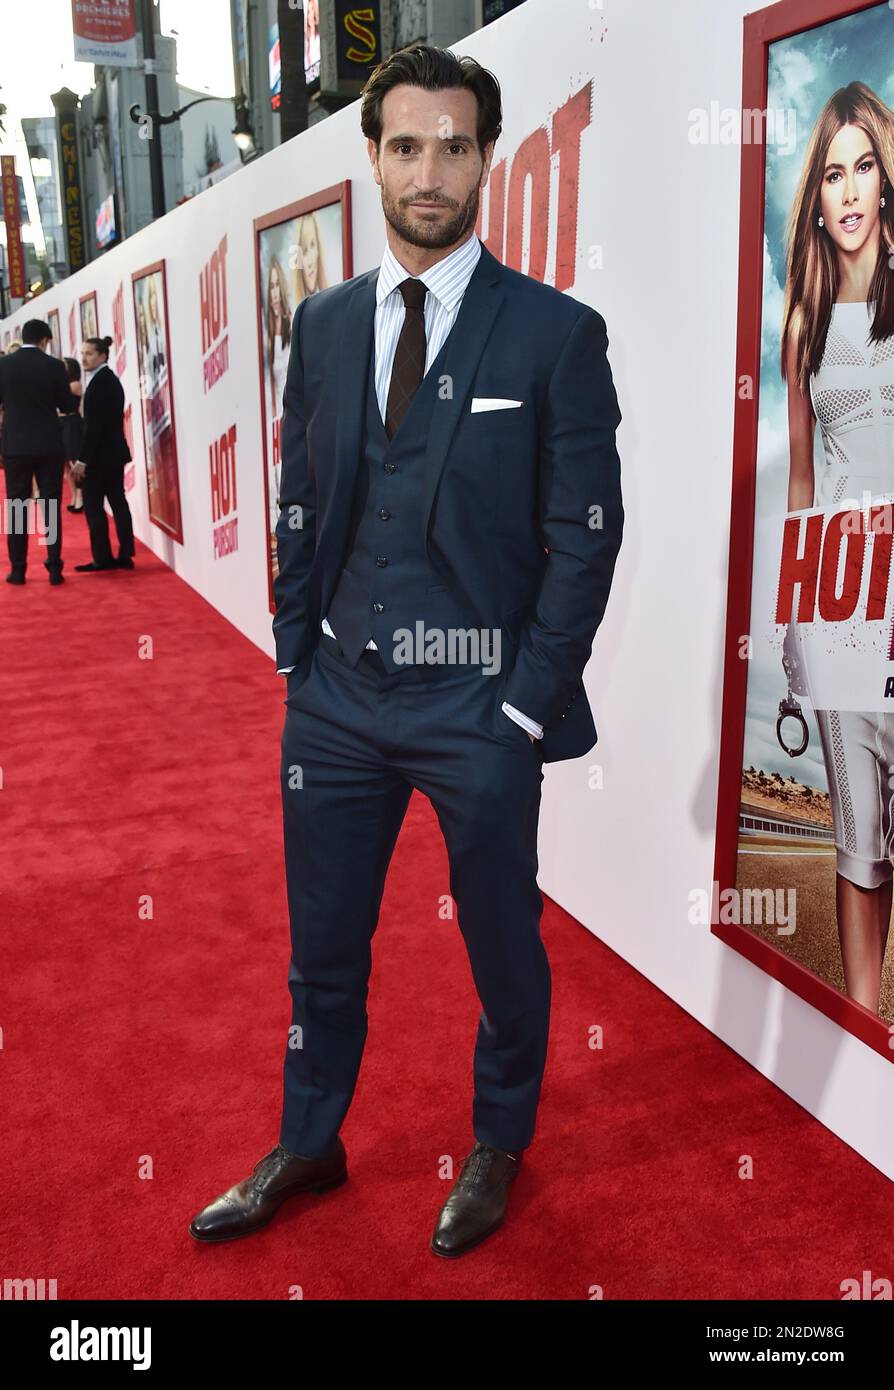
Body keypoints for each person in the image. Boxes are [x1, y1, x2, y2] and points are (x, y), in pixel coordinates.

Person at [190, 42, 624, 1258]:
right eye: (405, 144)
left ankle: (498, 1141)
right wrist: (293, 651)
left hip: (480, 702)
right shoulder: (324, 324)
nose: (429, 170)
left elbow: (586, 535)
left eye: (454, 143)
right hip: (335, 700)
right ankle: (310, 1139)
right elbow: (298, 489)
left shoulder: (554, 335)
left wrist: (528, 705)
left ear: (486, 156)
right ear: (372, 157)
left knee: (500, 943)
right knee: (319, 943)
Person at [781, 81, 894, 1015]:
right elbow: (804, 487)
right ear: (815, 198)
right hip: (842, 604)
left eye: (864, 168)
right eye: (832, 173)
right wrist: (792, 620)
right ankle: (863, 1035)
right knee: (858, 837)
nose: (850, 190)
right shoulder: (805, 328)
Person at [0, 317, 80, 585]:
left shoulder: (4, 365)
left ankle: (18, 569)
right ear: (45, 340)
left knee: (17, 507)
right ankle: (55, 568)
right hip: (48, 445)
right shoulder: (54, 366)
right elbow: (67, 405)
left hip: (16, 446)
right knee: (50, 506)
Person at [72, 336, 135, 573]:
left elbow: (94, 427)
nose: (84, 358)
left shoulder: (101, 383)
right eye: (83, 353)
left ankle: (103, 557)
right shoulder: (107, 379)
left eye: (89, 353)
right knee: (118, 503)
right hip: (112, 455)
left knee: (95, 507)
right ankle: (125, 553)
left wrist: (82, 460)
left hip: (99, 458)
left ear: (102, 356)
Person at [61, 356, 85, 513]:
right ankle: (73, 496)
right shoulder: (62, 383)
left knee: (73, 461)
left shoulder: (75, 384)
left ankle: (81, 495)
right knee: (65, 463)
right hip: (60, 424)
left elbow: (60, 396)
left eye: (63, 366)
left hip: (72, 423)